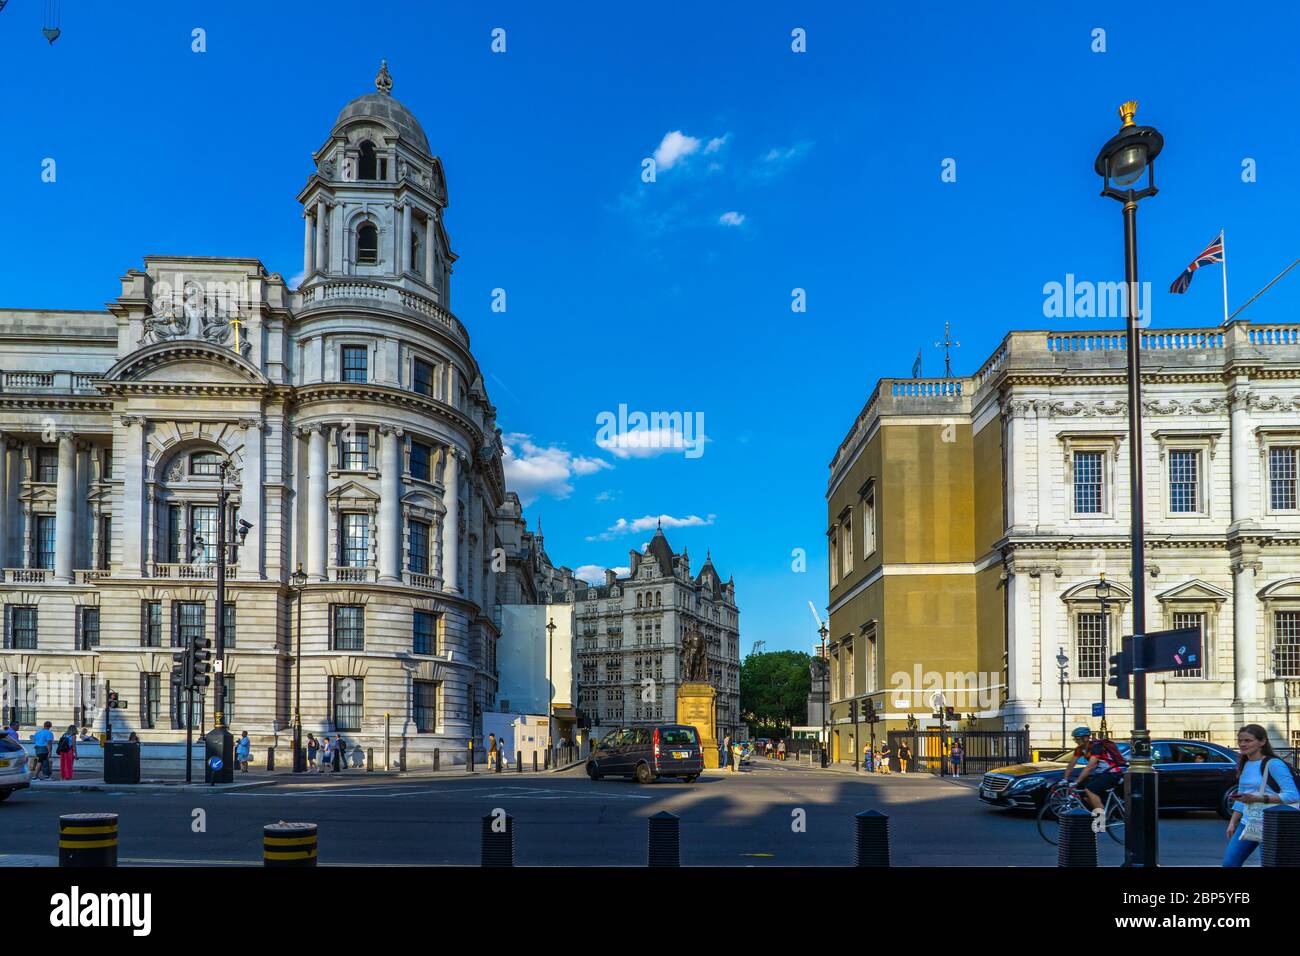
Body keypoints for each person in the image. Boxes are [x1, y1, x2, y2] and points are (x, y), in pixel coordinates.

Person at [1223, 723, 1300, 867]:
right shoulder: (1245, 763)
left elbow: (1293, 795)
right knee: (1229, 864)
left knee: (1269, 864)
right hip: (1249, 822)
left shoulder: (1274, 764)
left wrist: (1260, 798)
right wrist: (1233, 822)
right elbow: (1242, 797)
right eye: (1240, 741)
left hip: (1272, 825)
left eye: (1248, 740)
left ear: (1262, 742)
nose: (1242, 744)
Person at [1055, 726, 1127, 820]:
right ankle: (1107, 812)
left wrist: (1076, 781)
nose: (1076, 741)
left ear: (1085, 738)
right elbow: (1071, 765)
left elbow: (1090, 767)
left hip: (1111, 773)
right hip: (1100, 774)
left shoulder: (1096, 747)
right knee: (1084, 795)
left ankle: (1101, 819)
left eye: (1077, 739)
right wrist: (1065, 779)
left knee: (1089, 790)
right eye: (1074, 739)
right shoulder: (1079, 749)